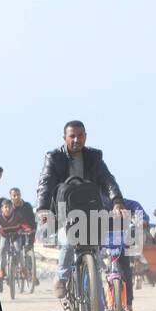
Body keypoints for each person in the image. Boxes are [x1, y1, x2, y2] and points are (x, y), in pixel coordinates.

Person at [36, 120, 124, 298]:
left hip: (90, 212)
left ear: (85, 136)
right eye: (72, 136)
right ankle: (61, 278)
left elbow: (107, 179)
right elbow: (45, 183)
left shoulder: (94, 157)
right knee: (68, 241)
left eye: (80, 135)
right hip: (63, 213)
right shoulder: (54, 157)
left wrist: (117, 201)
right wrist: (43, 209)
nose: (77, 139)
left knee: (96, 265)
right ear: (65, 138)